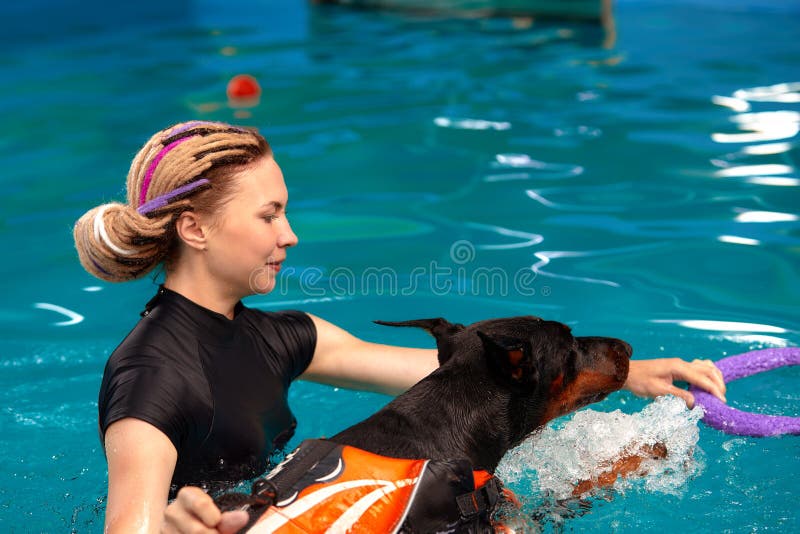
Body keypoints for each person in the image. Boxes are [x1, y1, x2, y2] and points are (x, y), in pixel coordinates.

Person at [73, 120, 727, 534]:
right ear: (194, 229)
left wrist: (627, 375)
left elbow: (465, 380)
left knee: (493, 506)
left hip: (323, 516)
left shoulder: (279, 337)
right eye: (270, 216)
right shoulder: (152, 376)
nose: (290, 235)